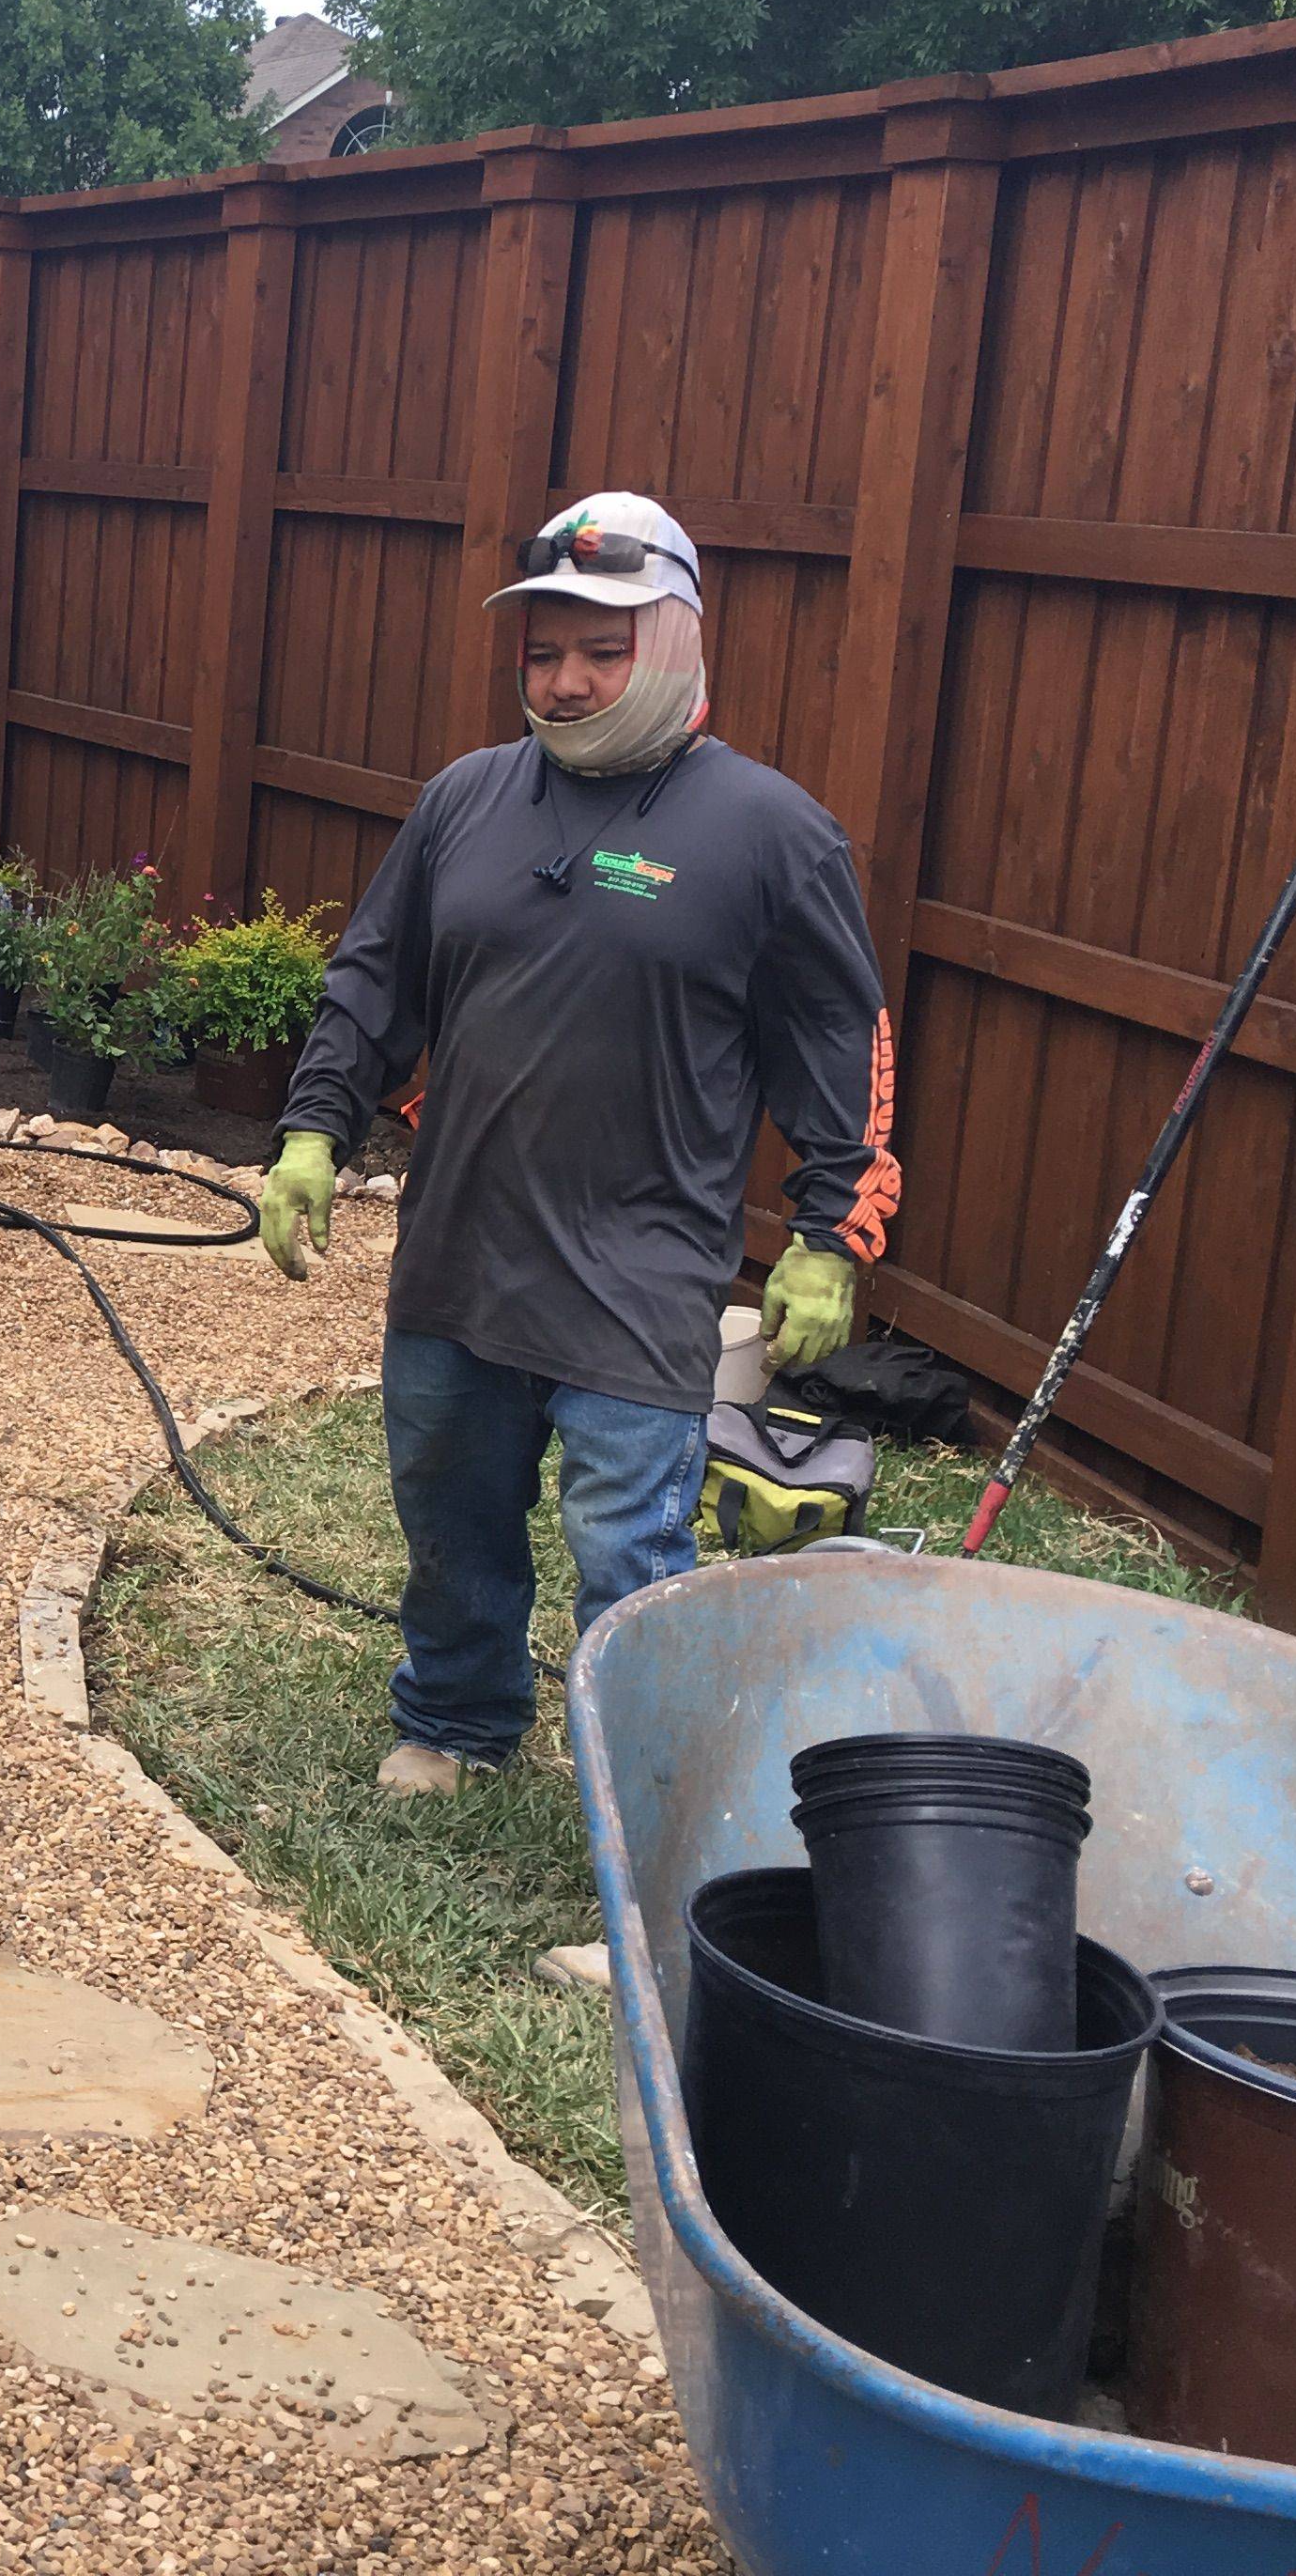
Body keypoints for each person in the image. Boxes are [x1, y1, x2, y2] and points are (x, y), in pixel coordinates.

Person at [257, 491, 899, 1795]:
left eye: (601, 651)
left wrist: (832, 1233)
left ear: (674, 641)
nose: (564, 679)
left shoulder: (773, 834)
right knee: (452, 1513)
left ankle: (645, 1797)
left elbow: (842, 1043)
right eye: (543, 652)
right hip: (459, 1250)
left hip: (641, 1263)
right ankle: (457, 1718)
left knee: (628, 1548)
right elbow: (374, 983)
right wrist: (313, 1129)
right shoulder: (465, 802)